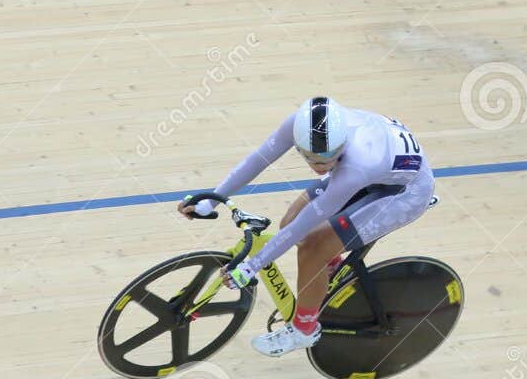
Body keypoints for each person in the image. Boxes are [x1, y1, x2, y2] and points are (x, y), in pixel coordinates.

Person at [179, 96, 436, 356]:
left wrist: (251, 267)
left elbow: (306, 224)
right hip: (377, 166)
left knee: (312, 248)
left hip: (407, 192)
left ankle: (304, 330)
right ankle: (331, 272)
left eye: (327, 160)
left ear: (342, 144)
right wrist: (210, 201)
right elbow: (258, 160)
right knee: (290, 220)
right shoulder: (299, 125)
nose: (320, 167)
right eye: (311, 159)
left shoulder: (357, 166)